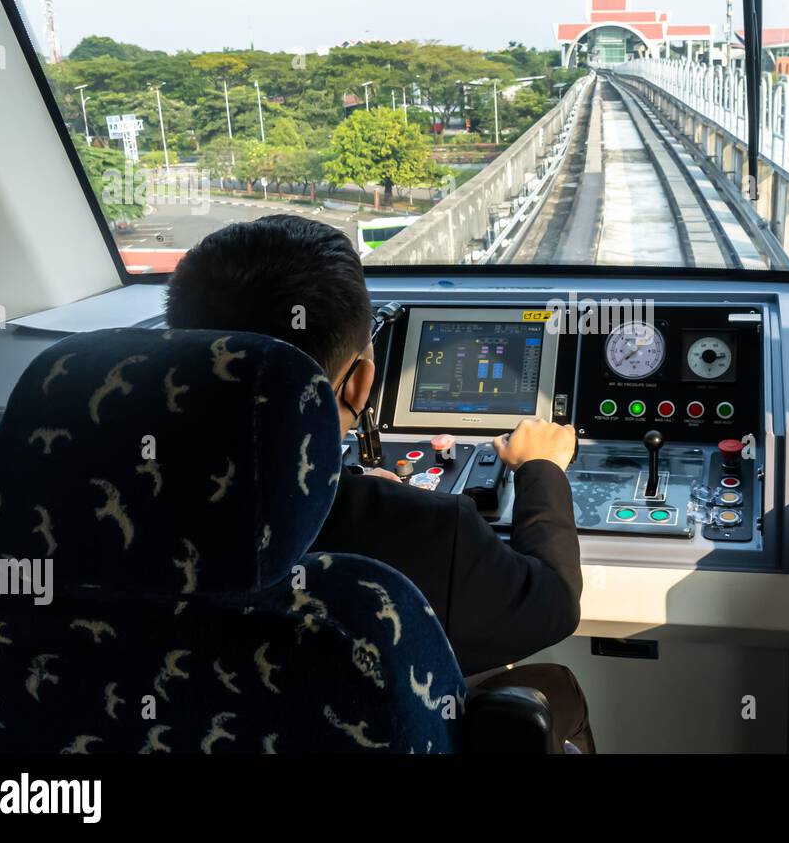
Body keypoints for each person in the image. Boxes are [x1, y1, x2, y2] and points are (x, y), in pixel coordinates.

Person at [165, 214, 593, 752]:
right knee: (555, 689)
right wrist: (542, 470)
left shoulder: (76, 503)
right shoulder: (425, 532)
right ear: (361, 383)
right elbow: (552, 606)